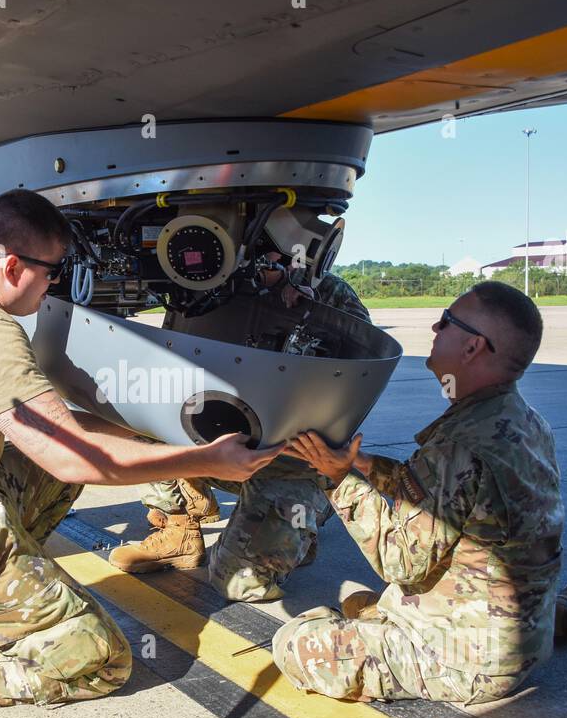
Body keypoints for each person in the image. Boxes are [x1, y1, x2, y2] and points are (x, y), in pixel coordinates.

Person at [0, 189, 282, 713]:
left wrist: (156, 436)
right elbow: (77, 456)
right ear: (13, 266)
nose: (54, 285)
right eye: (52, 272)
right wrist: (206, 461)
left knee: (57, 472)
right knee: (100, 660)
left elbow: (56, 431)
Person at [275, 280, 564, 705]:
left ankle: (393, 632)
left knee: (295, 641)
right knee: (365, 607)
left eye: (446, 322)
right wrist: (364, 465)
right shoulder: (518, 420)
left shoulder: (462, 443)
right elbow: (442, 493)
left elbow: (402, 562)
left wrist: (338, 479)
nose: (434, 326)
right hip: (516, 640)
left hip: (462, 661)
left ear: (473, 348)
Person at [110, 254, 372, 603]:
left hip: (288, 456)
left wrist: (314, 314)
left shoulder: (326, 291)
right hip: (221, 442)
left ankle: (298, 528)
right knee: (147, 417)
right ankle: (178, 532)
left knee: (240, 583)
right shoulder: (208, 285)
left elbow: (362, 371)